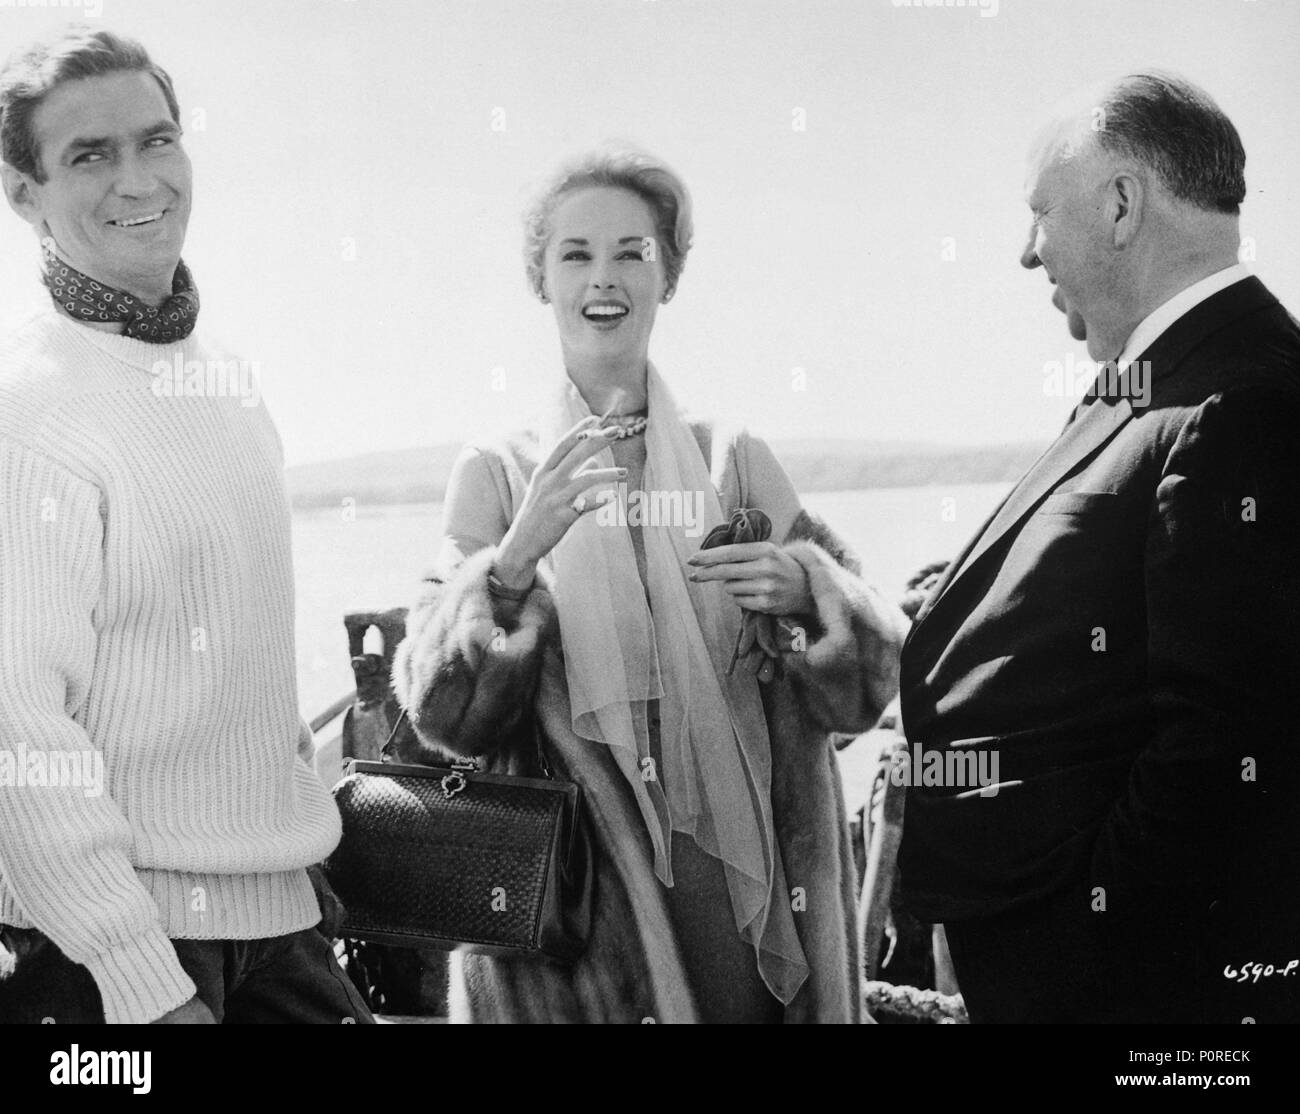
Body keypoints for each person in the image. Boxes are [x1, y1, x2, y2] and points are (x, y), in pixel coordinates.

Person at [390, 148, 908, 1023]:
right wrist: (513, 564)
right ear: (541, 278)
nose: (605, 278)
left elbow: (866, 686)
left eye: (633, 251)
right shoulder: (495, 470)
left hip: (741, 890)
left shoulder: (733, 457)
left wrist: (804, 585)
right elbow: (444, 719)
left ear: (668, 275)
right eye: (576, 254)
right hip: (579, 911)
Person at [897, 72, 1300, 1023]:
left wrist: (1081, 958)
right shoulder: (1161, 380)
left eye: (1040, 212)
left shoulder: (1240, 401)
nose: (1026, 254)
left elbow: (1232, 750)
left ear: (1121, 205)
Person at [0, 26, 371, 1025]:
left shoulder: (231, 386)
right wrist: (139, 985)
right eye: (90, 154)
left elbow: (247, 678)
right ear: (22, 192)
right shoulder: (31, 408)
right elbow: (18, 728)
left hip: (283, 932)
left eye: (156, 141)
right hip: (110, 961)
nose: (136, 179)